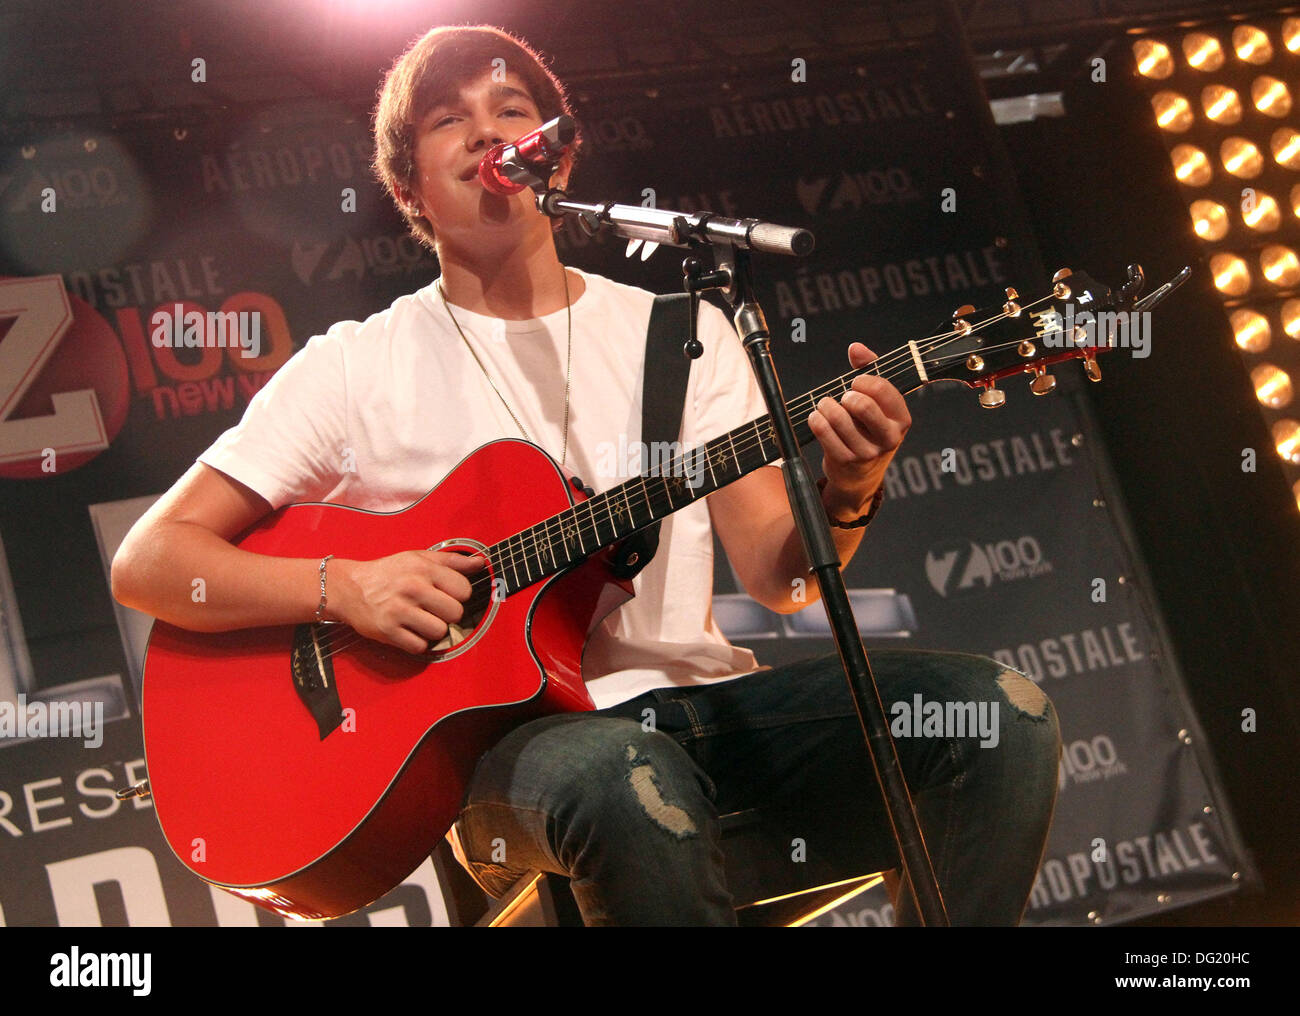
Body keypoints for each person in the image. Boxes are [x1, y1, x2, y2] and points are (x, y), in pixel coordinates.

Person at [111, 24, 1061, 926]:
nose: (488, 130)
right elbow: (152, 563)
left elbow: (782, 576)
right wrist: (346, 586)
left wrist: (850, 489)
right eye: (449, 118)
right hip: (510, 764)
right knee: (625, 779)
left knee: (999, 718)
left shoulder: (680, 335)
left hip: (700, 710)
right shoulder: (356, 366)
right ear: (409, 185)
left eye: (513, 109)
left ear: (556, 158)